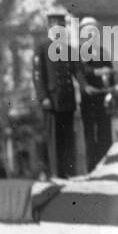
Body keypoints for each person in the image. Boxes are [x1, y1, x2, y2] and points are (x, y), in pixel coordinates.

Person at [33, 11, 78, 178]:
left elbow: (77, 71)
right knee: (53, 139)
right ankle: (55, 173)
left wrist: (86, 87)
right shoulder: (43, 47)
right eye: (55, 25)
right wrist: (43, 96)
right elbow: (38, 74)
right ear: (49, 27)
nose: (59, 29)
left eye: (62, 25)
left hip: (67, 100)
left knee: (67, 138)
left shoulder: (68, 50)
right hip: (51, 100)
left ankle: (68, 171)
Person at [74, 15, 118, 172]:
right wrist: (96, 71)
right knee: (90, 137)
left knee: (105, 135)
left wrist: (113, 91)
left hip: (103, 98)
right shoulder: (80, 52)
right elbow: (80, 71)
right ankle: (92, 169)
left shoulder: (103, 52)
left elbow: (111, 73)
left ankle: (106, 168)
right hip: (89, 98)